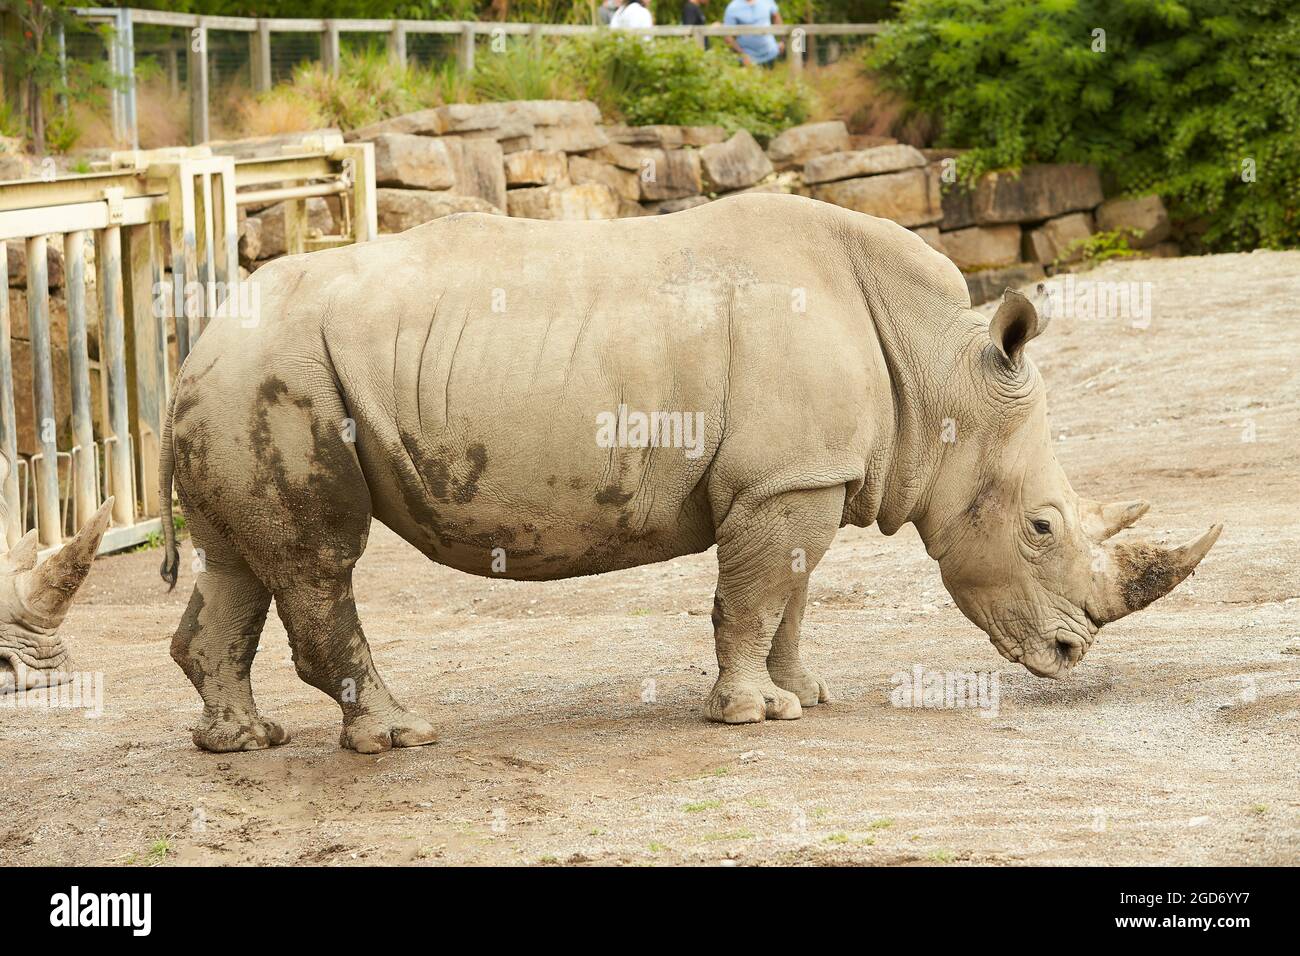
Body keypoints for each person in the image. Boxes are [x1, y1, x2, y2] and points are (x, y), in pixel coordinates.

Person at [723, 0, 783, 66]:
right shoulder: (733, 7)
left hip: (772, 55)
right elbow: (727, 36)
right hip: (747, 61)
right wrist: (742, 54)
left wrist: (782, 41)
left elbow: (776, 17)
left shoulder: (767, 1)